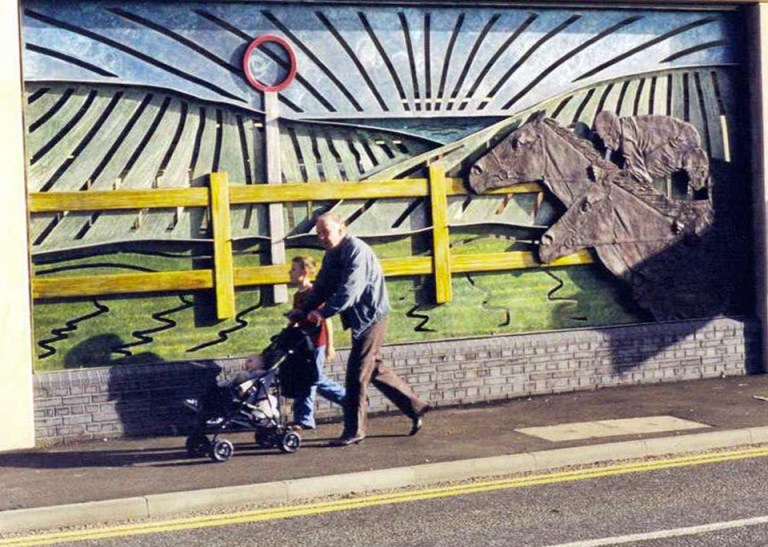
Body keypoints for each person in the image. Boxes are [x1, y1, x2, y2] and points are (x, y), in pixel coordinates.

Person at [299, 213, 431, 446]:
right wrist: (303, 310)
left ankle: (355, 430)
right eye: (317, 233)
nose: (321, 237)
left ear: (342, 228)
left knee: (356, 374)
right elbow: (321, 286)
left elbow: (351, 290)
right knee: (374, 368)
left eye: (325, 232)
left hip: (373, 318)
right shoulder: (332, 254)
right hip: (360, 319)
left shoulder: (356, 251)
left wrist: (323, 312)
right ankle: (415, 407)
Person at [286, 256, 346, 430]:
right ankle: (349, 400)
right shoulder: (298, 295)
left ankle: (305, 418)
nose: (290, 273)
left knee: (313, 379)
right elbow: (298, 319)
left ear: (304, 272)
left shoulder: (314, 293)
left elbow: (326, 320)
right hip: (304, 344)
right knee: (310, 378)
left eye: (293, 269)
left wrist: (330, 346)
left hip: (317, 343)